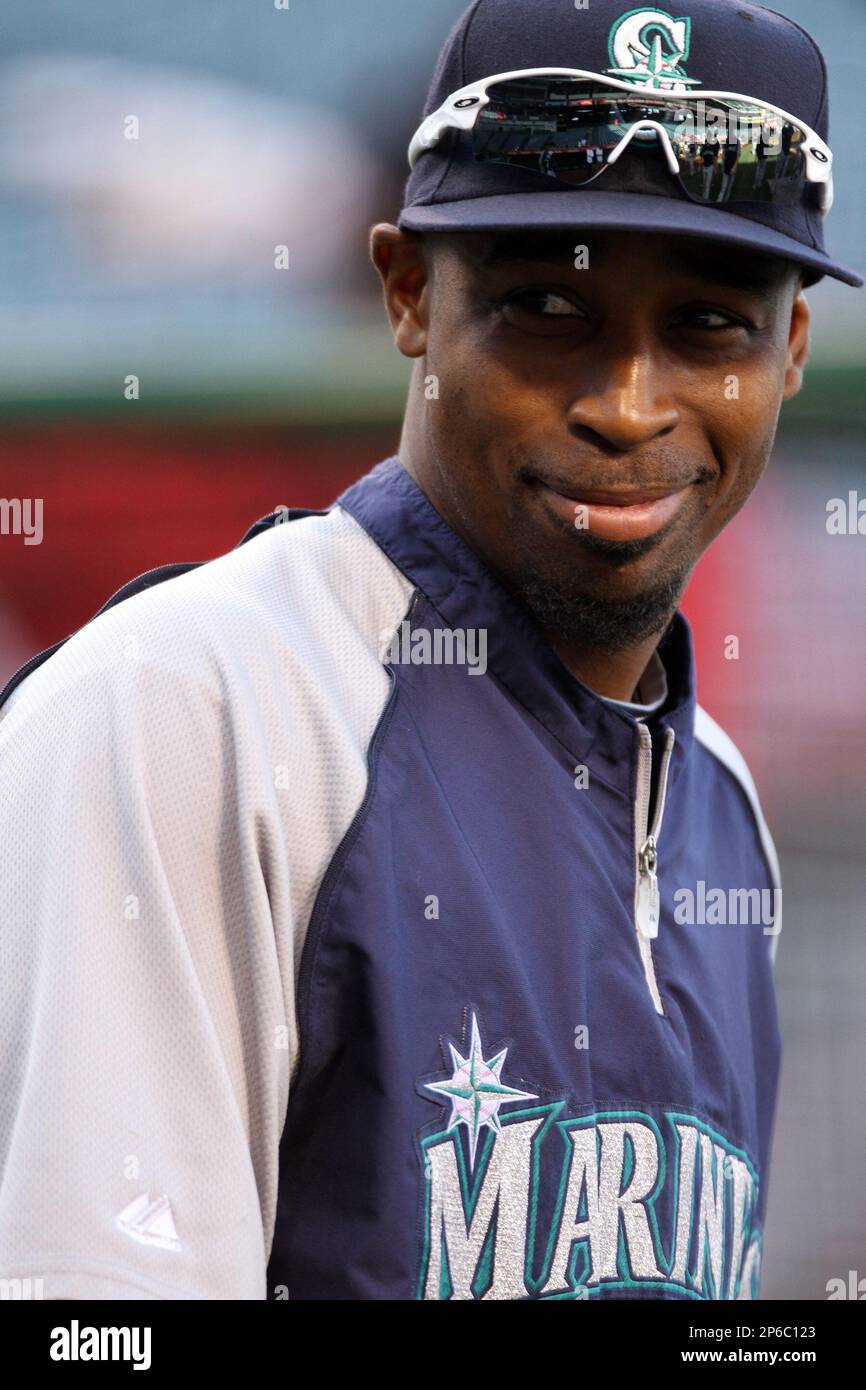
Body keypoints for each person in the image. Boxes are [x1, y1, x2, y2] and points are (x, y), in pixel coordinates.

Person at [0, 0, 861, 1302]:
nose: (627, 405)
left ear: (790, 351)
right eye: (545, 307)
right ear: (403, 292)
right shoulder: (185, 713)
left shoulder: (717, 795)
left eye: (707, 325)